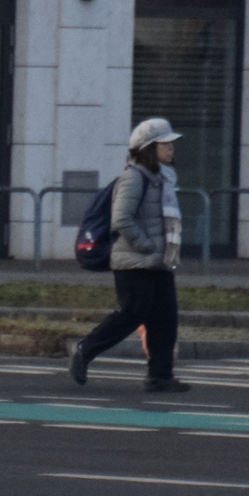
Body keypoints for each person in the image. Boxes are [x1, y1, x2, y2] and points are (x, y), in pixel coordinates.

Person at [69, 117, 191, 394]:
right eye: (165, 144)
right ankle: (84, 350)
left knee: (165, 319)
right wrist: (146, 245)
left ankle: (160, 376)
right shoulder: (134, 178)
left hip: (159, 262)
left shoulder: (163, 180)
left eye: (172, 143)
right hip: (134, 261)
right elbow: (121, 219)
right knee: (132, 314)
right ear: (148, 148)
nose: (172, 148)